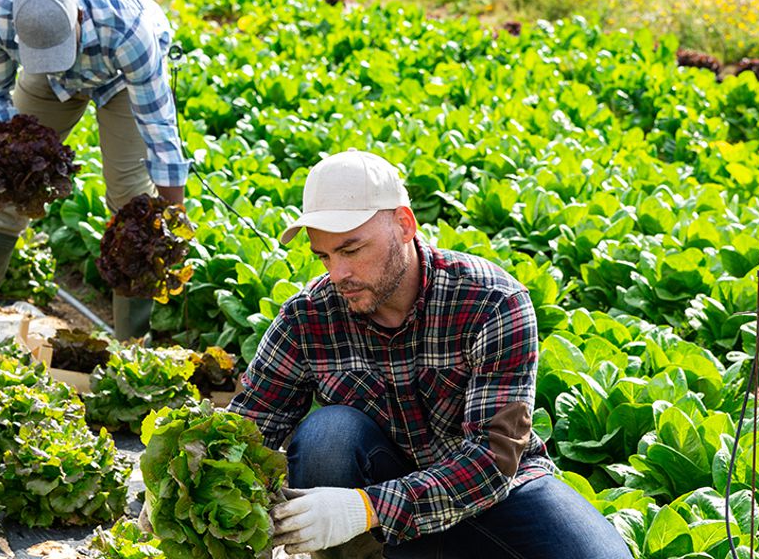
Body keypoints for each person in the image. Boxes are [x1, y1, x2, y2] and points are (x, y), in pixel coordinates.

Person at [230, 150, 631, 558]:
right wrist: (195, 490)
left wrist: (364, 508)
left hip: (492, 494)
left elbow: (495, 459)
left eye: (351, 250)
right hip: (379, 510)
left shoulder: (492, 302)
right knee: (329, 436)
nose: (337, 274)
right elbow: (246, 429)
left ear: (404, 225)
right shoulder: (306, 317)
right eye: (324, 256)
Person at [0, 0, 188, 348]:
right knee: (8, 186)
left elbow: (158, 127)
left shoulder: (129, 30)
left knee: (134, 205)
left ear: (78, 19)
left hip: (119, 77)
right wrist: (7, 154)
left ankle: (132, 347)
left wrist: (171, 215)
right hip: (46, 82)